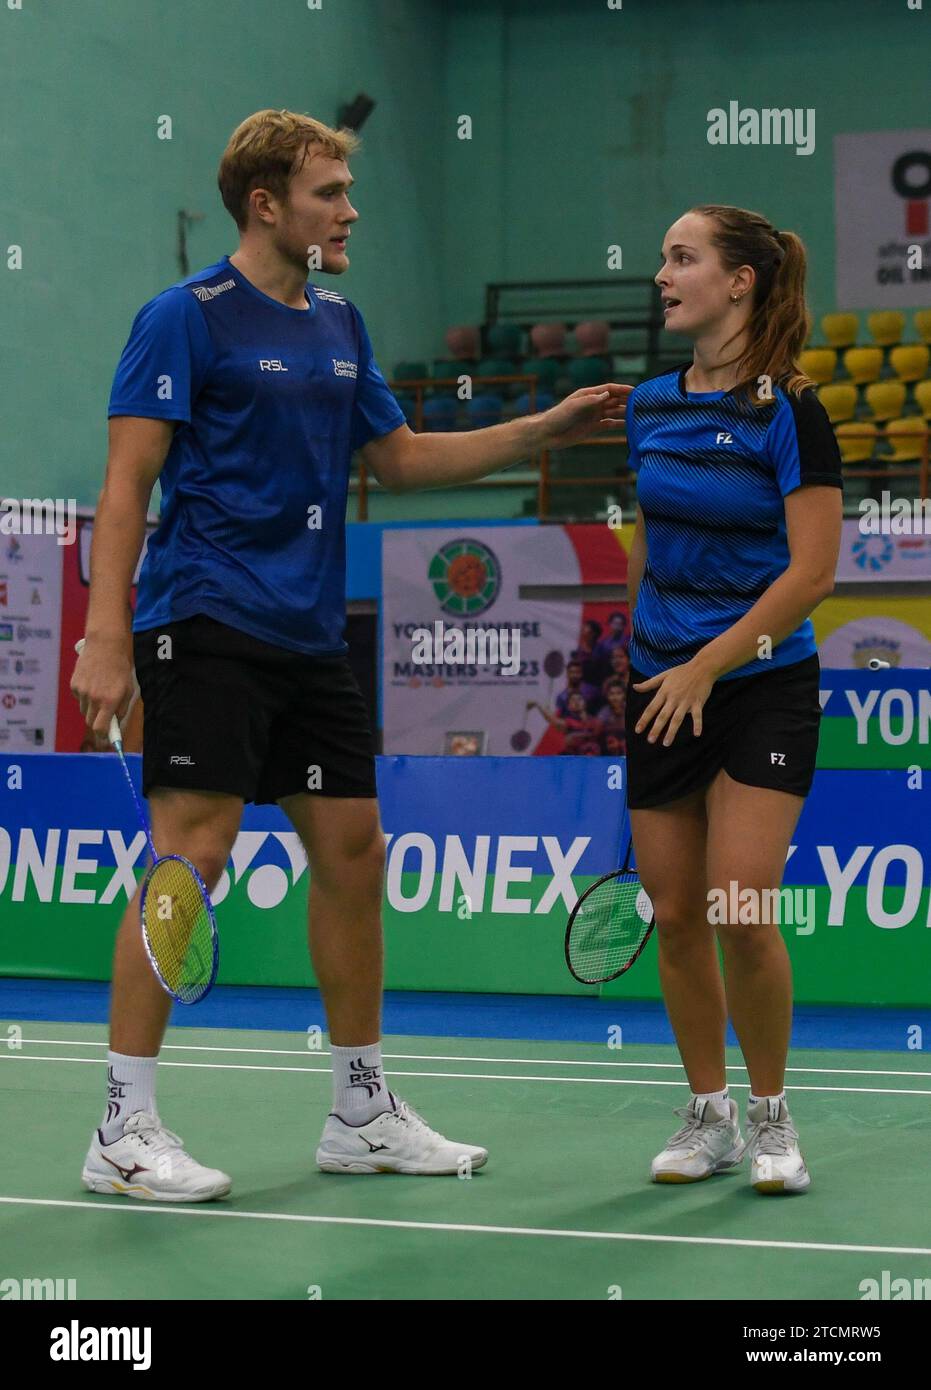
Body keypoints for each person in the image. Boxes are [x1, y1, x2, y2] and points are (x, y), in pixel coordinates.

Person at [70, 108, 629, 1200]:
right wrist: (105, 633)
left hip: (308, 629)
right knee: (192, 855)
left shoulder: (339, 321)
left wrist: (539, 431)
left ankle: (361, 1107)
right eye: (330, 191)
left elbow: (403, 457)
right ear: (267, 202)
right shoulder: (184, 320)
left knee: (354, 850)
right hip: (205, 616)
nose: (349, 208)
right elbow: (127, 484)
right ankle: (122, 1124)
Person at [624, 204, 842, 1194]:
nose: (661, 274)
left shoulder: (789, 408)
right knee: (673, 913)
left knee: (740, 902)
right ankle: (706, 1111)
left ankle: (771, 1117)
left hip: (756, 682)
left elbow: (811, 573)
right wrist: (646, 666)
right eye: (664, 259)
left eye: (682, 258)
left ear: (740, 280)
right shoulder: (648, 405)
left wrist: (707, 664)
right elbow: (657, 547)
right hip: (659, 681)